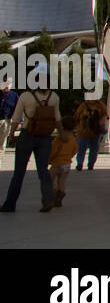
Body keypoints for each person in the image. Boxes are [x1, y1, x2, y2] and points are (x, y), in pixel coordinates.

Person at [1, 76, 59, 212]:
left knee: (19, 173)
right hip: (45, 137)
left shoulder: (26, 96)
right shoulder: (54, 97)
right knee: (43, 171)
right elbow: (57, 118)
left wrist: (11, 135)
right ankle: (47, 200)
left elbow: (15, 118)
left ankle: (10, 204)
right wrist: (61, 134)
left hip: (27, 135)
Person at [73, 93, 108, 171]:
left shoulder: (99, 105)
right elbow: (76, 117)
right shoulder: (84, 105)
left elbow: (105, 115)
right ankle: (81, 164)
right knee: (85, 148)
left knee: (91, 149)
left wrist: (101, 122)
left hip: (93, 130)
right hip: (84, 131)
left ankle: (88, 164)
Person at [49, 116, 77, 208]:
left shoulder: (59, 138)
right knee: (62, 181)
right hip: (67, 163)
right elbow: (75, 150)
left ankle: (54, 194)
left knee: (50, 180)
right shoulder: (73, 138)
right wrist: (69, 157)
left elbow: (54, 150)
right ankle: (61, 194)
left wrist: (49, 159)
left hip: (57, 163)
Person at [0, 78, 15, 168]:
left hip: (6, 121)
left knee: (2, 143)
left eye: (8, 84)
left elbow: (18, 109)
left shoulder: (13, 96)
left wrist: (18, 121)